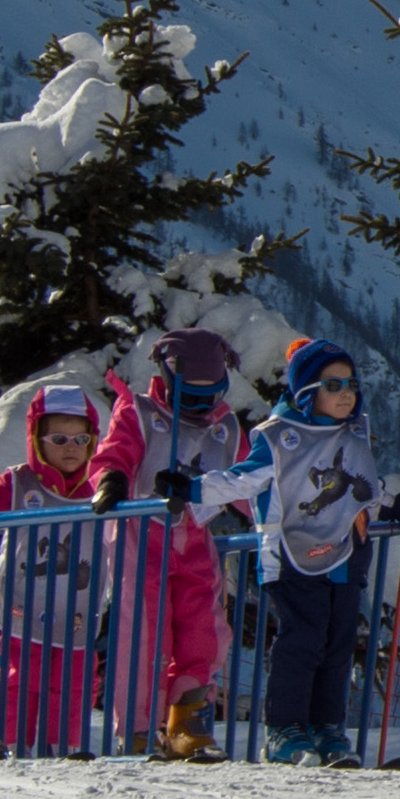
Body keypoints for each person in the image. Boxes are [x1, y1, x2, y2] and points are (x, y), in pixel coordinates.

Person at [231, 338, 400, 766]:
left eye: (351, 384)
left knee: (338, 645)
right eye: (333, 384)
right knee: (301, 641)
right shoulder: (280, 436)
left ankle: (326, 729)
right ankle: (285, 730)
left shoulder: (351, 434)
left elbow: (365, 491)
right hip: (294, 556)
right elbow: (242, 480)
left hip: (346, 556)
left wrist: (397, 506)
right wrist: (186, 488)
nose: (347, 393)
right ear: (306, 391)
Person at [0, 379, 150, 756]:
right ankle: (10, 742)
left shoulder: (100, 490)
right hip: (23, 603)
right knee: (22, 675)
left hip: (77, 608)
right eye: (59, 440)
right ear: (37, 440)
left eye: (80, 440)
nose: (71, 450)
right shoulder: (22, 483)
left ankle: (62, 745)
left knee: (75, 678)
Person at [136, 326, 259, 761]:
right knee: (145, 634)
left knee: (204, 631)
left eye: (211, 392)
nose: (202, 403)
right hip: (143, 540)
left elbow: (246, 484)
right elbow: (114, 454)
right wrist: (111, 480)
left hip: (195, 544)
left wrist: (288, 510)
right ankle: (138, 728)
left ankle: (188, 723)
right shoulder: (139, 411)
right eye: (192, 392)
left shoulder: (225, 424)